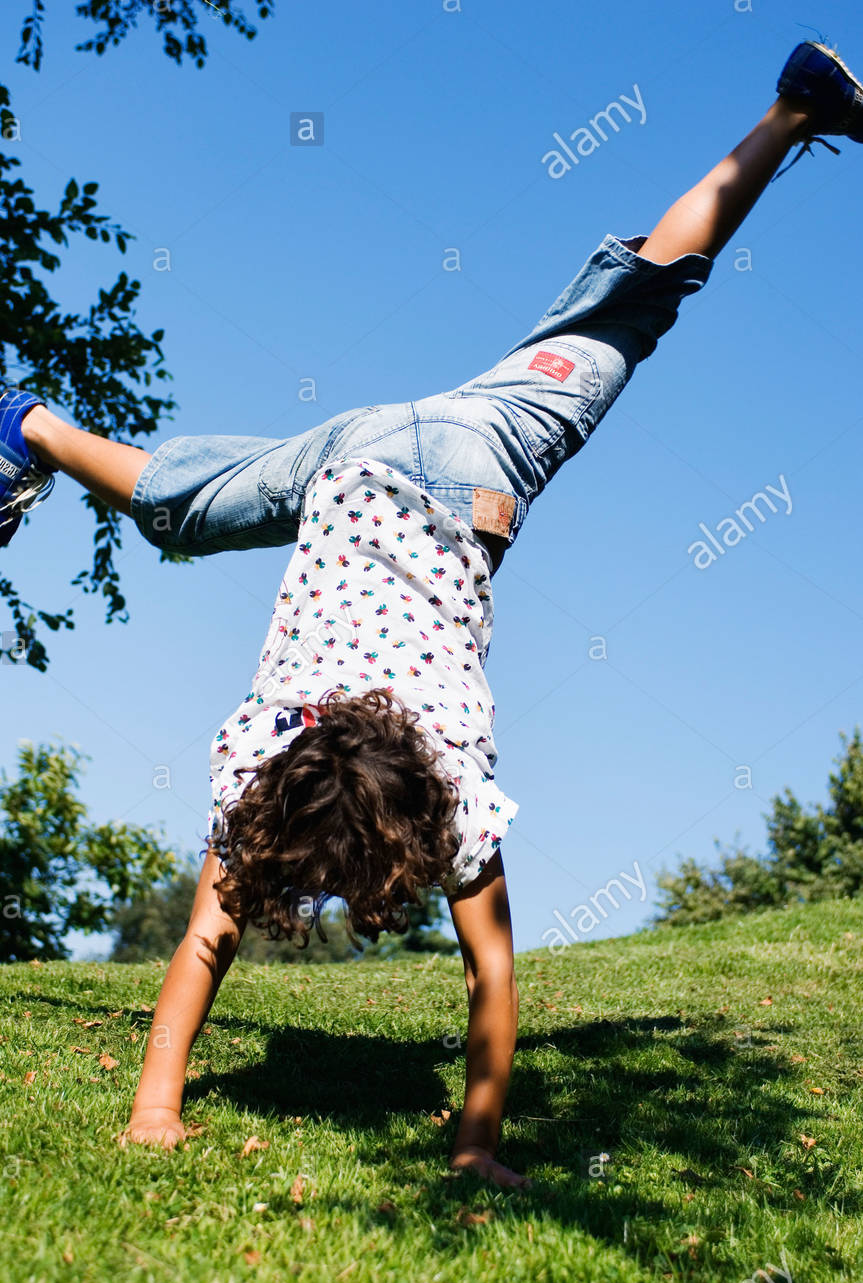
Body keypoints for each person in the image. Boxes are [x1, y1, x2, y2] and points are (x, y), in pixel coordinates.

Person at [2, 41, 860, 1189]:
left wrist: (472, 1148)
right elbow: (239, 942)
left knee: (635, 306)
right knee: (199, 502)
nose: (351, 902)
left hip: (456, 461)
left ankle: (30, 430)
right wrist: (152, 1107)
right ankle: (793, 107)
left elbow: (487, 976)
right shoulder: (276, 745)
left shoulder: (422, 782)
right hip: (360, 461)